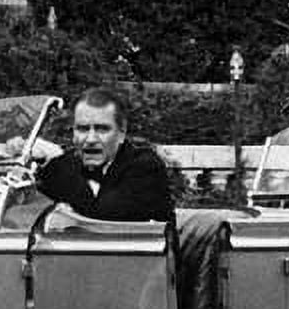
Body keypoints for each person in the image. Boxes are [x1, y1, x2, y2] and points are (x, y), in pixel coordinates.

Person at [16, 87, 174, 223]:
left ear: (121, 133)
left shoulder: (145, 166)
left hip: (137, 255)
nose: (91, 139)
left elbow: (102, 216)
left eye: (102, 129)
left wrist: (57, 159)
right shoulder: (71, 163)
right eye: (83, 129)